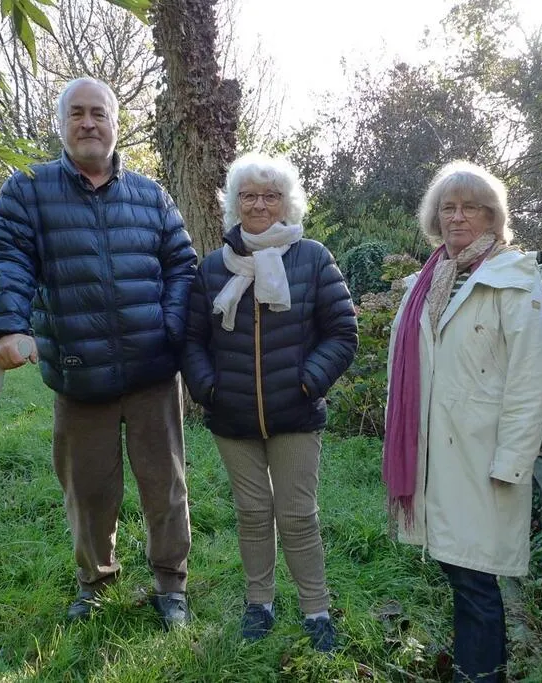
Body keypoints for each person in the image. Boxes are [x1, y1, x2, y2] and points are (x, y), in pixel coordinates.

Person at [0, 76, 197, 629]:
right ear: (60, 124)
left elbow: (181, 264)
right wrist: (8, 325)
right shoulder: (28, 189)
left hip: (152, 372)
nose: (87, 123)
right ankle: (95, 581)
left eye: (98, 113)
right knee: (88, 491)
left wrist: (171, 327)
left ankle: (170, 586)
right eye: (76, 113)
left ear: (115, 124)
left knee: (165, 487)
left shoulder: (151, 195)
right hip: (79, 374)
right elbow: (9, 256)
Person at [383, 161, 542, 681]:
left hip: (482, 457)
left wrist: (512, 462)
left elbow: (530, 382)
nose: (458, 217)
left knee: (477, 578)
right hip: (436, 453)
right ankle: (471, 668)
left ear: (493, 217)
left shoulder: (516, 282)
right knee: (459, 570)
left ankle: (480, 674)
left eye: (471, 208)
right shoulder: (426, 283)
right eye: (448, 208)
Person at [181, 152, 358, 651]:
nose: (259, 204)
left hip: (295, 414)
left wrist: (306, 382)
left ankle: (316, 610)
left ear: (288, 203)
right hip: (231, 416)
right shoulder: (214, 266)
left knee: (298, 515)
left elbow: (342, 333)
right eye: (249, 195)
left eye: (271, 195)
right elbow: (192, 339)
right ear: (235, 204)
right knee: (253, 513)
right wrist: (209, 389)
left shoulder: (313, 258)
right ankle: (259, 603)